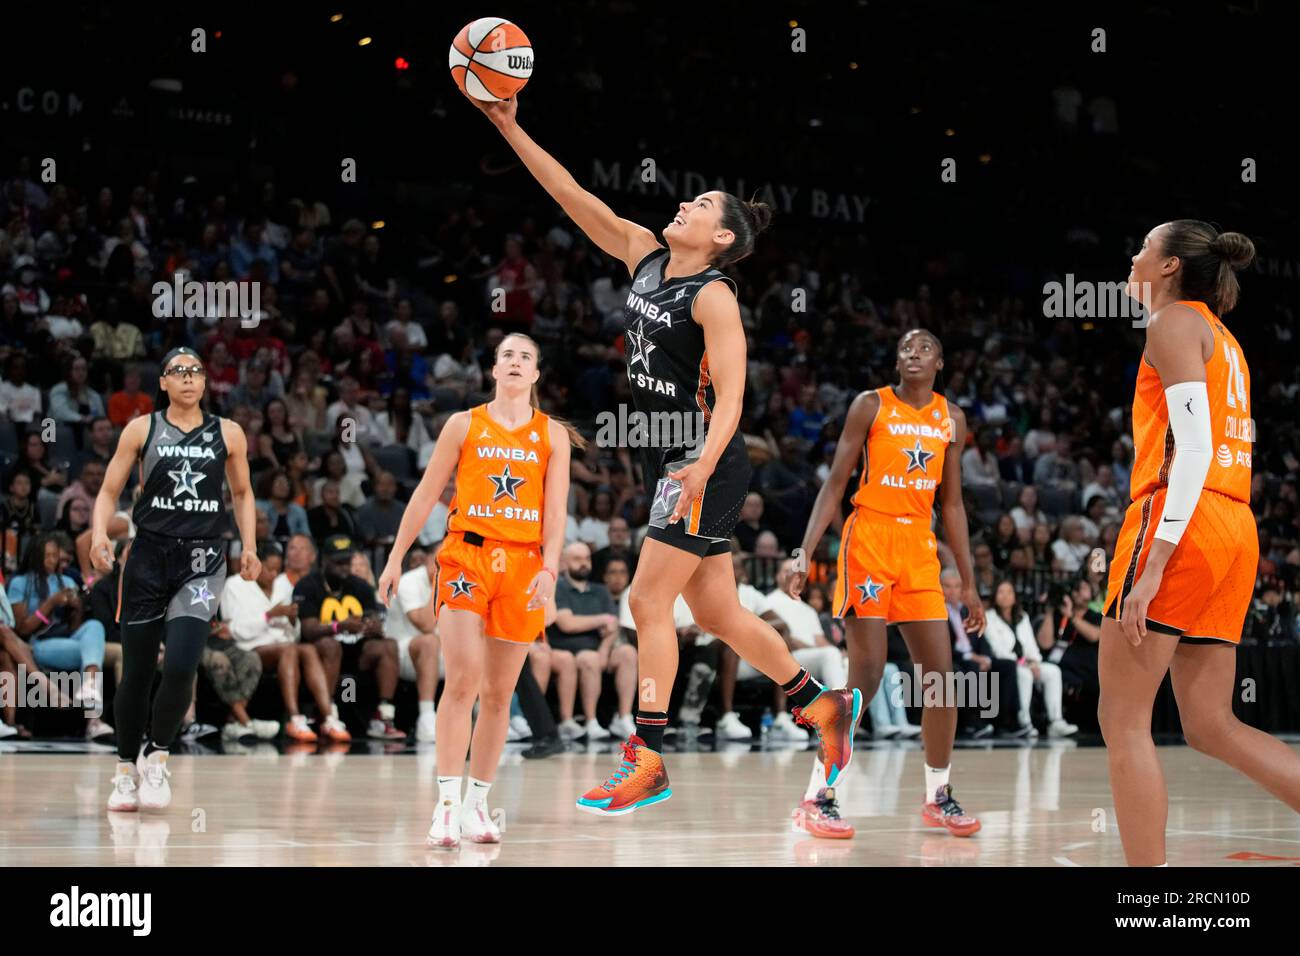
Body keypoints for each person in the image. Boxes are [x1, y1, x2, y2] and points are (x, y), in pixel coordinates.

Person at [461, 90, 860, 818]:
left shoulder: (714, 296)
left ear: (722, 240)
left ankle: (646, 758)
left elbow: (734, 396)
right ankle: (823, 708)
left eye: (705, 205)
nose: (689, 205)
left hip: (701, 462)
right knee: (717, 613)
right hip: (669, 461)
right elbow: (568, 193)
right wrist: (510, 126)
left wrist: (700, 468)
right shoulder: (643, 254)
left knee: (646, 599)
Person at [1099, 221, 1300, 866]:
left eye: (1143, 248)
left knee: (1123, 718)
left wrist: (1156, 558)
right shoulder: (1225, 339)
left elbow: (1192, 447)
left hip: (1178, 519)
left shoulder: (1175, 323)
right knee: (1211, 724)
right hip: (1234, 526)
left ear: (1167, 268)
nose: (1132, 256)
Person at [787, 329, 986, 840]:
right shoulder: (870, 405)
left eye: (923, 349)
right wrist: (804, 551)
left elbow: (954, 505)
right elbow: (835, 482)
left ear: (940, 362)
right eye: (904, 348)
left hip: (919, 548)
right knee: (868, 672)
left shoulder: (952, 418)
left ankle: (938, 795)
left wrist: (970, 584)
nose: (912, 354)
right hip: (868, 539)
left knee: (941, 679)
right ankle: (817, 796)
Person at [378, 331, 573, 848]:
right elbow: (425, 494)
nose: (514, 361)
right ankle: (444, 805)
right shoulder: (463, 424)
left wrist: (550, 570)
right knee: (461, 680)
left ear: (535, 375)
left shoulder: (552, 435)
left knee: (498, 694)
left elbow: (556, 515)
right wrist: (396, 558)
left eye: (525, 356)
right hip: (467, 555)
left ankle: (476, 803)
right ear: (493, 370)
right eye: (506, 354)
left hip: (524, 564)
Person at [90, 346, 261, 812]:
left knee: (183, 663)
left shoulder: (229, 433)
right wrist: (99, 535)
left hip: (204, 559)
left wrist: (249, 545)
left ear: (205, 382)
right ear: (163, 382)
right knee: (139, 672)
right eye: (177, 372)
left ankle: (158, 754)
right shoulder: (141, 429)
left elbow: (243, 493)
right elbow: (108, 491)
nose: (188, 378)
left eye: (196, 371)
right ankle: (125, 768)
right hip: (147, 557)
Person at [220, 543, 343, 742]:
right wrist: (269, 616)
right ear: (256, 565)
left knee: (309, 649)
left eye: (277, 569)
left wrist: (293, 621)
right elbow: (236, 631)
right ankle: (294, 718)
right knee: (289, 650)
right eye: (269, 569)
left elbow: (293, 634)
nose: (274, 574)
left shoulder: (284, 585)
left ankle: (328, 717)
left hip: (284, 645)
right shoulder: (234, 585)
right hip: (250, 647)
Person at [295, 534, 405, 741]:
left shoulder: (360, 586)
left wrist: (372, 626)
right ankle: (327, 715)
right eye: (338, 562)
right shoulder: (308, 585)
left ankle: (383, 715)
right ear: (324, 560)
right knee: (330, 646)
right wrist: (339, 626)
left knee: (388, 645)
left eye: (347, 561)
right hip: (321, 654)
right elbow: (308, 630)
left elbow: (373, 616)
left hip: (357, 651)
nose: (344, 567)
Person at [7, 532, 113, 740]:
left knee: (94, 627)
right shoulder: (21, 583)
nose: (53, 560)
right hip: (39, 644)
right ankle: (94, 718)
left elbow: (75, 629)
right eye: (48, 555)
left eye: (56, 555)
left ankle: (90, 690)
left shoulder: (65, 580)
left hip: (67, 640)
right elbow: (23, 629)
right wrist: (51, 604)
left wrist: (76, 608)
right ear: (36, 555)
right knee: (92, 652)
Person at [983, 579, 1078, 737]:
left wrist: (1034, 661)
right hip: (1007, 665)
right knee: (1024, 674)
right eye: (1001, 592)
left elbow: (1031, 646)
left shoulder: (1022, 616)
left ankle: (1056, 721)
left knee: (1053, 671)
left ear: (1014, 596)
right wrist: (1025, 664)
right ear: (995, 596)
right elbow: (997, 649)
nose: (1005, 596)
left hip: (1028, 662)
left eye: (1009, 592)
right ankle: (1024, 721)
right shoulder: (988, 617)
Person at [385, 547, 444, 742]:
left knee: (482, 643)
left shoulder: (461, 581)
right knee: (429, 642)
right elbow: (426, 625)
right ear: (428, 559)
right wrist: (438, 584)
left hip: (444, 653)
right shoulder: (409, 581)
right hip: (403, 654)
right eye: (439, 559)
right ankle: (426, 717)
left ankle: (481, 715)